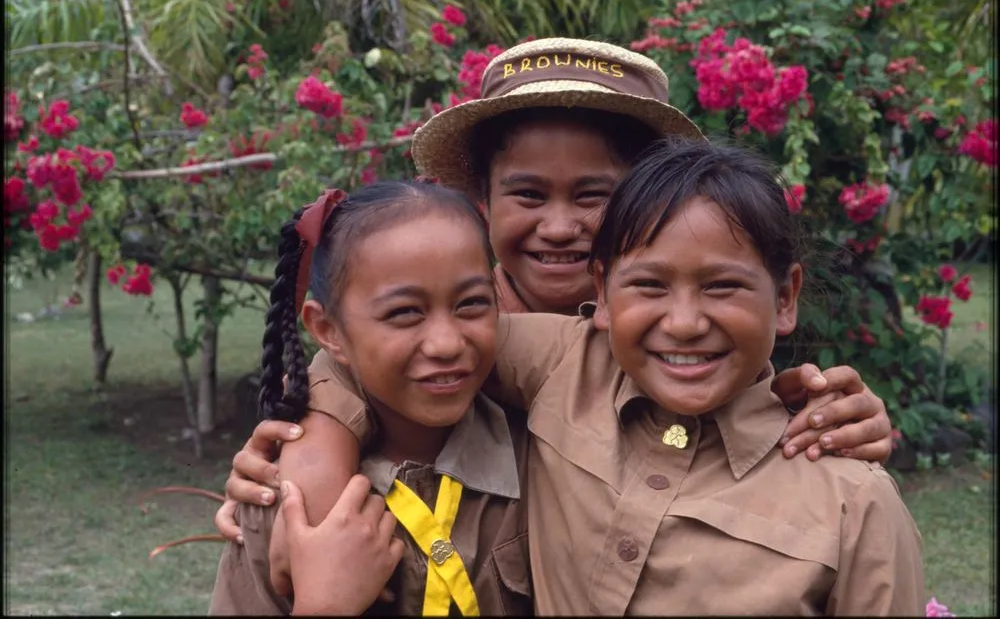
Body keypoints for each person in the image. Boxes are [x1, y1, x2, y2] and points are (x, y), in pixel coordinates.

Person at [217, 37, 894, 540]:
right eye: (528, 195)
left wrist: (841, 419)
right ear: (481, 198)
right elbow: (347, 359)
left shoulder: (679, 337)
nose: (561, 226)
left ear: (644, 204)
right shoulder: (464, 332)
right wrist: (310, 466)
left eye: (595, 196)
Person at [267, 139, 925, 615]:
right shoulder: (565, 364)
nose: (687, 322)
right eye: (649, 285)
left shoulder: (852, 502)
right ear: (604, 292)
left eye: (723, 287)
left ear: (786, 299)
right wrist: (316, 450)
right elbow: (392, 344)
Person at [209, 182, 532, 615]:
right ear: (328, 332)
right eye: (404, 312)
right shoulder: (285, 511)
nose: (445, 343)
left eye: (471, 303)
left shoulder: (541, 462)